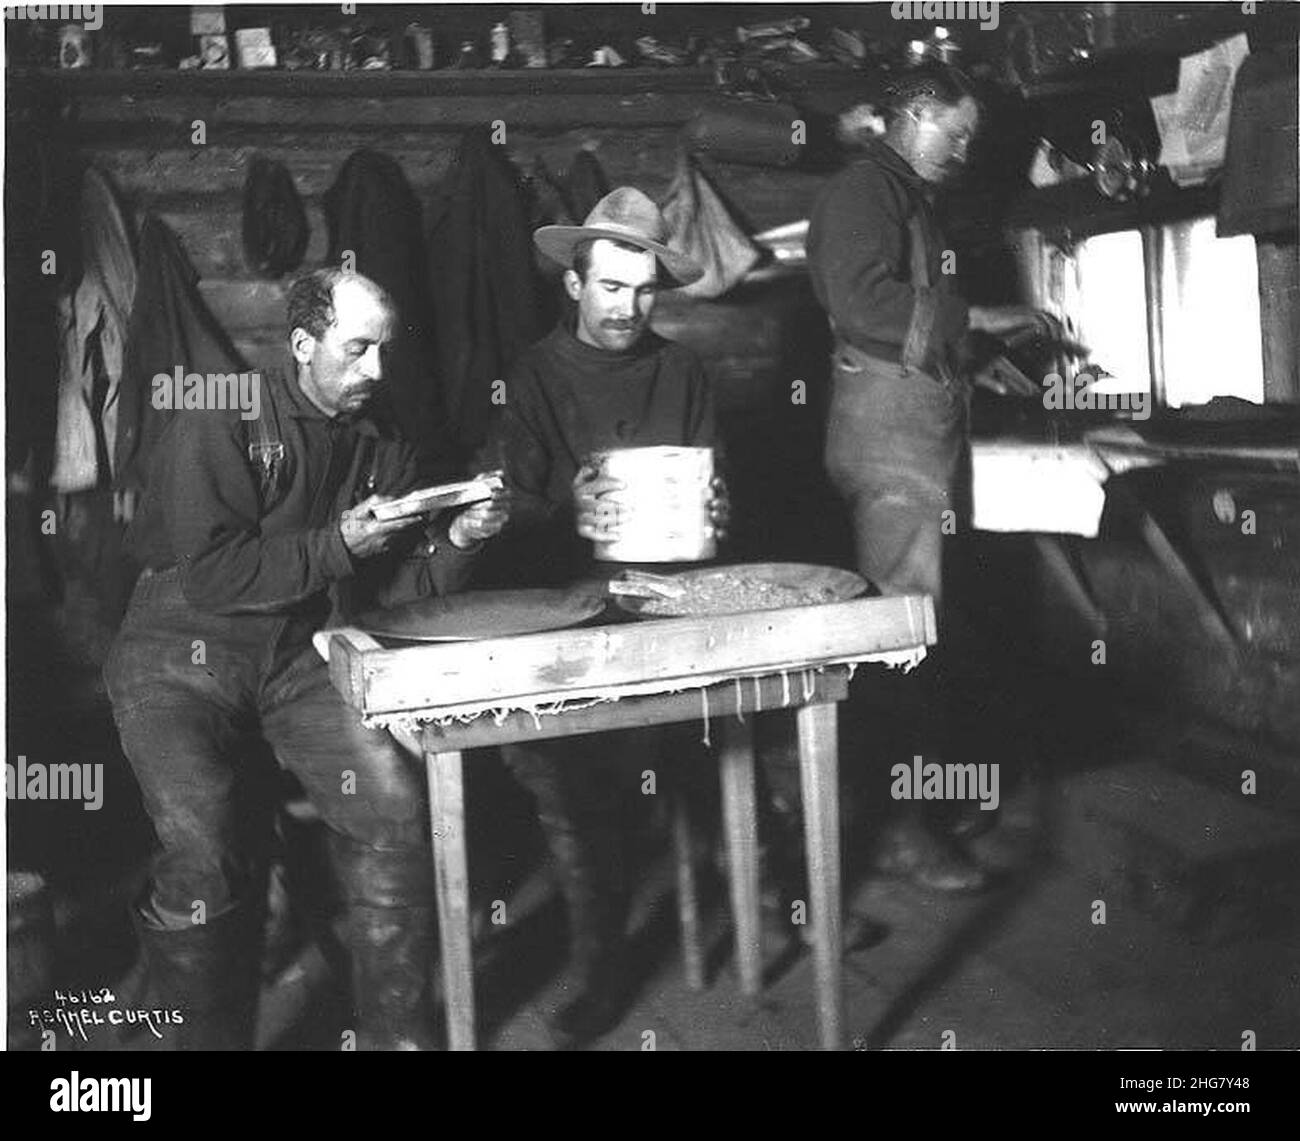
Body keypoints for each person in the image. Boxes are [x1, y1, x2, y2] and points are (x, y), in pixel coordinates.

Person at [104, 268, 510, 1050]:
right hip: (178, 653)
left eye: (384, 350)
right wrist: (336, 546)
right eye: (357, 350)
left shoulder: (385, 438)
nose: (376, 371)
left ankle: (397, 1036)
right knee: (206, 841)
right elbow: (215, 574)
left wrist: (461, 537)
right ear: (301, 344)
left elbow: (392, 594)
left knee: (394, 810)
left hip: (300, 654)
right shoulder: (223, 417)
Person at [480, 187, 726, 1047]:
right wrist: (562, 509)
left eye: (645, 289)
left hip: (668, 603)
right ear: (575, 285)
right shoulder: (532, 376)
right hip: (565, 612)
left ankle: (768, 903)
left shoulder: (684, 371)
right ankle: (601, 960)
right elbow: (501, 513)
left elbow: (712, 497)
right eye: (610, 287)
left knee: (739, 729)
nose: (627, 307)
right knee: (567, 777)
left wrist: (712, 508)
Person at [807, 64, 1054, 892]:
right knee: (900, 635)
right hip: (887, 439)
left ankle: (912, 812)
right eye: (955, 133)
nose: (963, 150)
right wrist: (980, 317)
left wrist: (974, 367)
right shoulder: (861, 190)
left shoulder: (908, 198)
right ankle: (900, 833)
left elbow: (910, 331)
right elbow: (862, 302)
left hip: (913, 430)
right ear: (913, 116)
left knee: (920, 625)